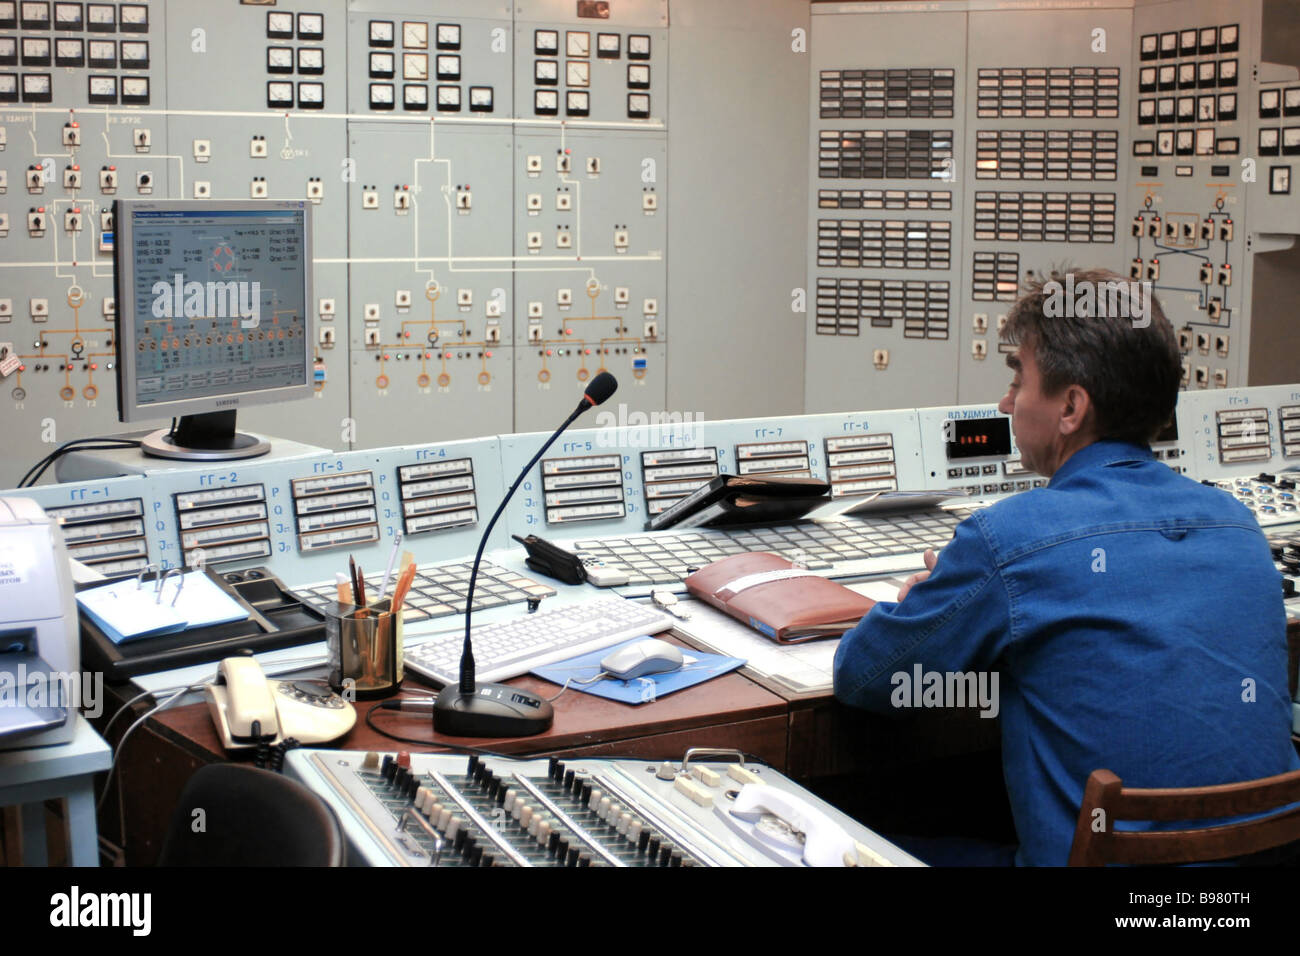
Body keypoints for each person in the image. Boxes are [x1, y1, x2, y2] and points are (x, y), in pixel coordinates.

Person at [833, 268, 1300, 866]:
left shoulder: (1009, 537)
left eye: (1017, 380)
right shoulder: (1237, 526)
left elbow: (866, 676)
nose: (1006, 402)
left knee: (824, 836)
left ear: (1071, 406)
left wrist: (929, 604)